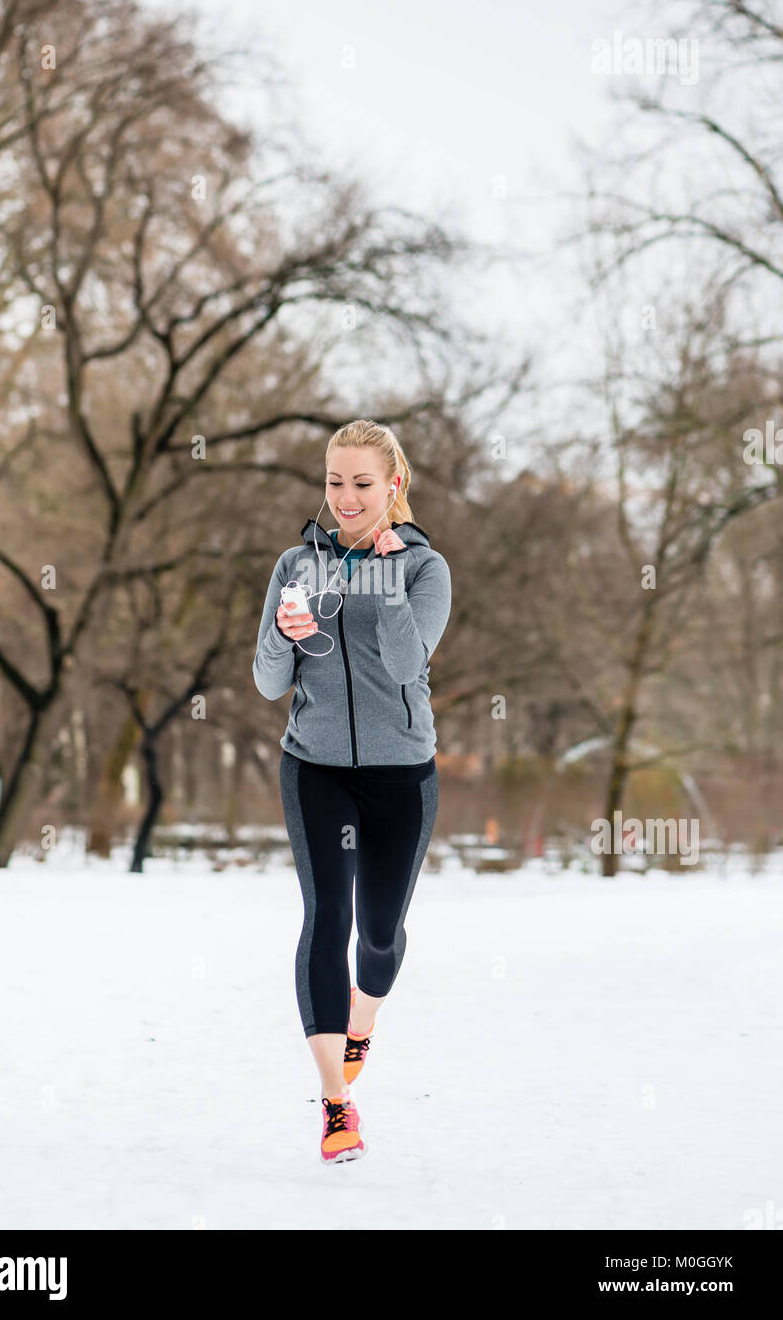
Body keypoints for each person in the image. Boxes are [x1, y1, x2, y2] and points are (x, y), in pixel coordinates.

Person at [252, 418, 451, 1164]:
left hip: (402, 774)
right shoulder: (296, 564)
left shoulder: (428, 569)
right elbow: (270, 682)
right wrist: (283, 628)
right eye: (335, 481)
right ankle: (337, 1103)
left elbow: (404, 666)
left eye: (361, 483)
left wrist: (388, 580)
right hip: (316, 768)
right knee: (326, 913)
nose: (345, 497)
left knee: (377, 934)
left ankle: (362, 1019)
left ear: (392, 485)